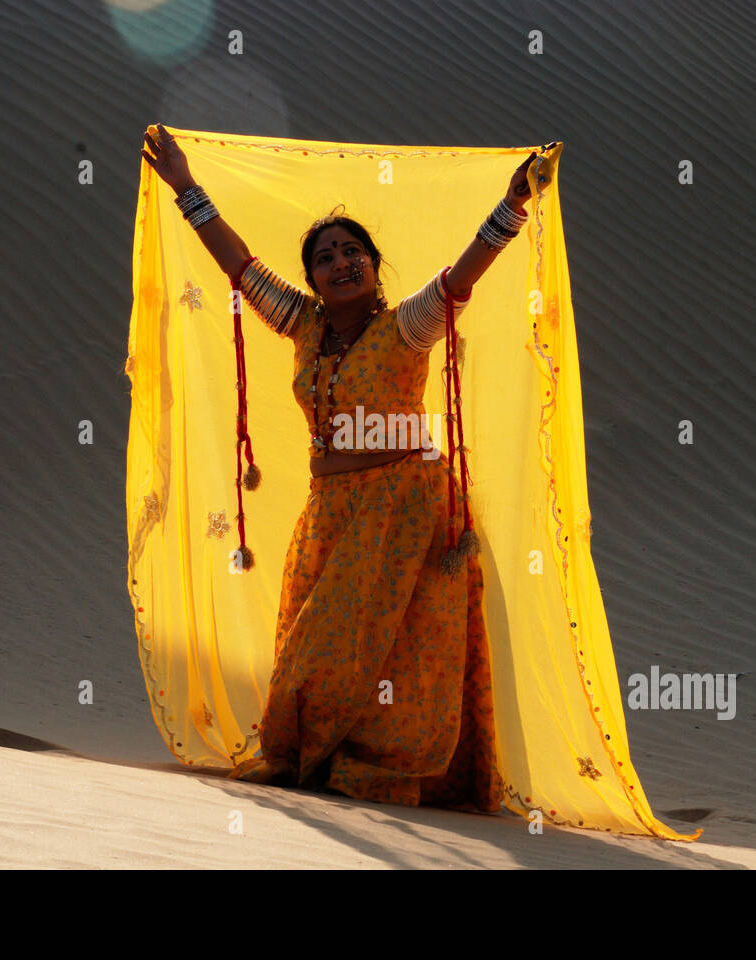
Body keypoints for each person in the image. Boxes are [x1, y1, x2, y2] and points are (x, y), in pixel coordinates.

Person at [141, 124, 538, 812]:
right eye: (326, 257)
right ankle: (312, 760)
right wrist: (185, 187)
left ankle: (374, 770)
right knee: (319, 650)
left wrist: (511, 209)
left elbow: (463, 275)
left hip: (406, 511)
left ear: (375, 267)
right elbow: (240, 267)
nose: (342, 262)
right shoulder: (302, 327)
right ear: (313, 281)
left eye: (354, 251)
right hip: (331, 512)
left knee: (399, 657)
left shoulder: (406, 327)